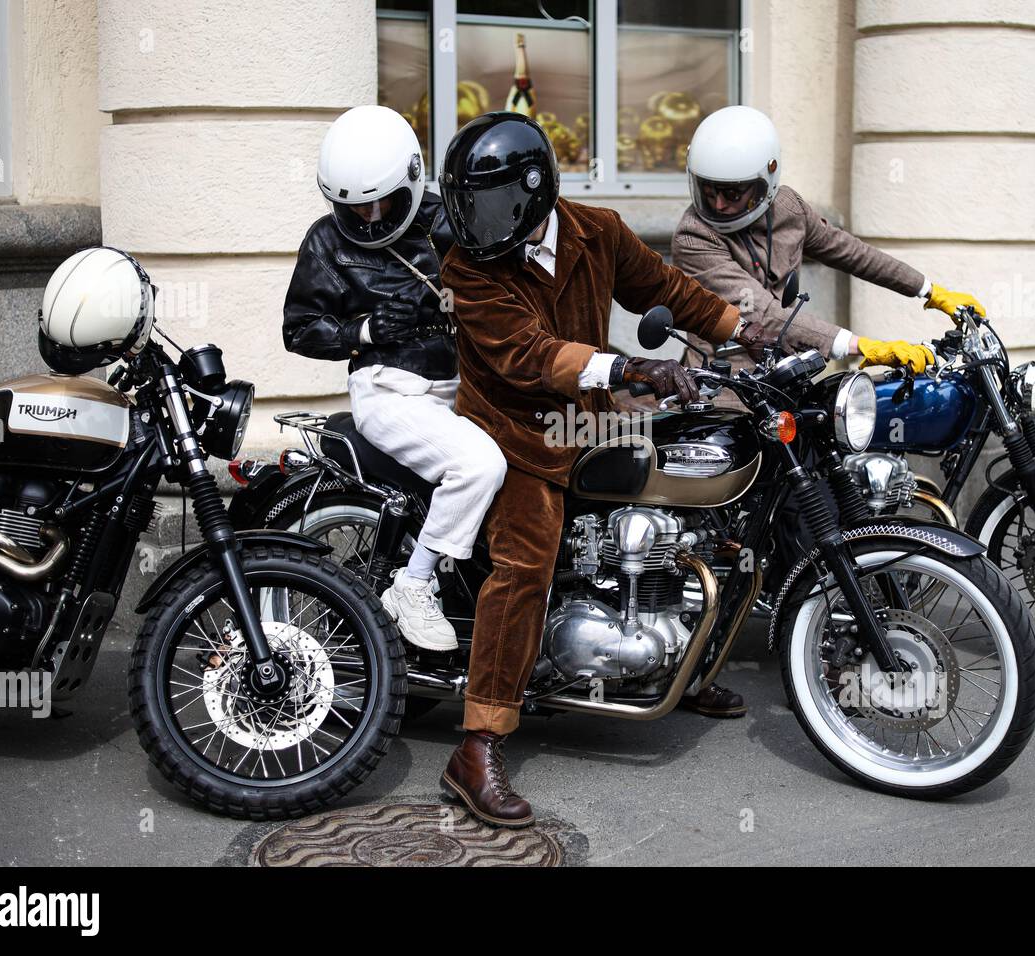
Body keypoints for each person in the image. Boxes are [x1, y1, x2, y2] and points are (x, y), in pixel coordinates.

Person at [435, 112, 767, 828]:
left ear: (536, 191)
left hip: (586, 415)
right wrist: (631, 366)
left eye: (489, 204)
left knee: (690, 487)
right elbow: (529, 356)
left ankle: (680, 665)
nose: (476, 220)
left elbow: (669, 289)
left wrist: (747, 331)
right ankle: (477, 743)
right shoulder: (469, 267)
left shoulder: (597, 230)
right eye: (468, 204)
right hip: (512, 429)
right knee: (526, 559)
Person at [283, 105, 506, 653]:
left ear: (413, 177)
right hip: (388, 388)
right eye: (354, 207)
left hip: (462, 385)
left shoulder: (453, 222)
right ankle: (412, 583)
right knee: (479, 465)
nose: (371, 216)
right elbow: (299, 329)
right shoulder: (326, 242)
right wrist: (363, 331)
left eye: (383, 200)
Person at [673, 105, 986, 376]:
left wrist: (929, 290)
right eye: (708, 191)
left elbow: (851, 252)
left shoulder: (787, 208)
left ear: (763, 184)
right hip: (724, 377)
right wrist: (861, 345)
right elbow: (764, 313)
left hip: (786, 369)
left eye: (732, 193)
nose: (718, 205)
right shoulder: (694, 236)